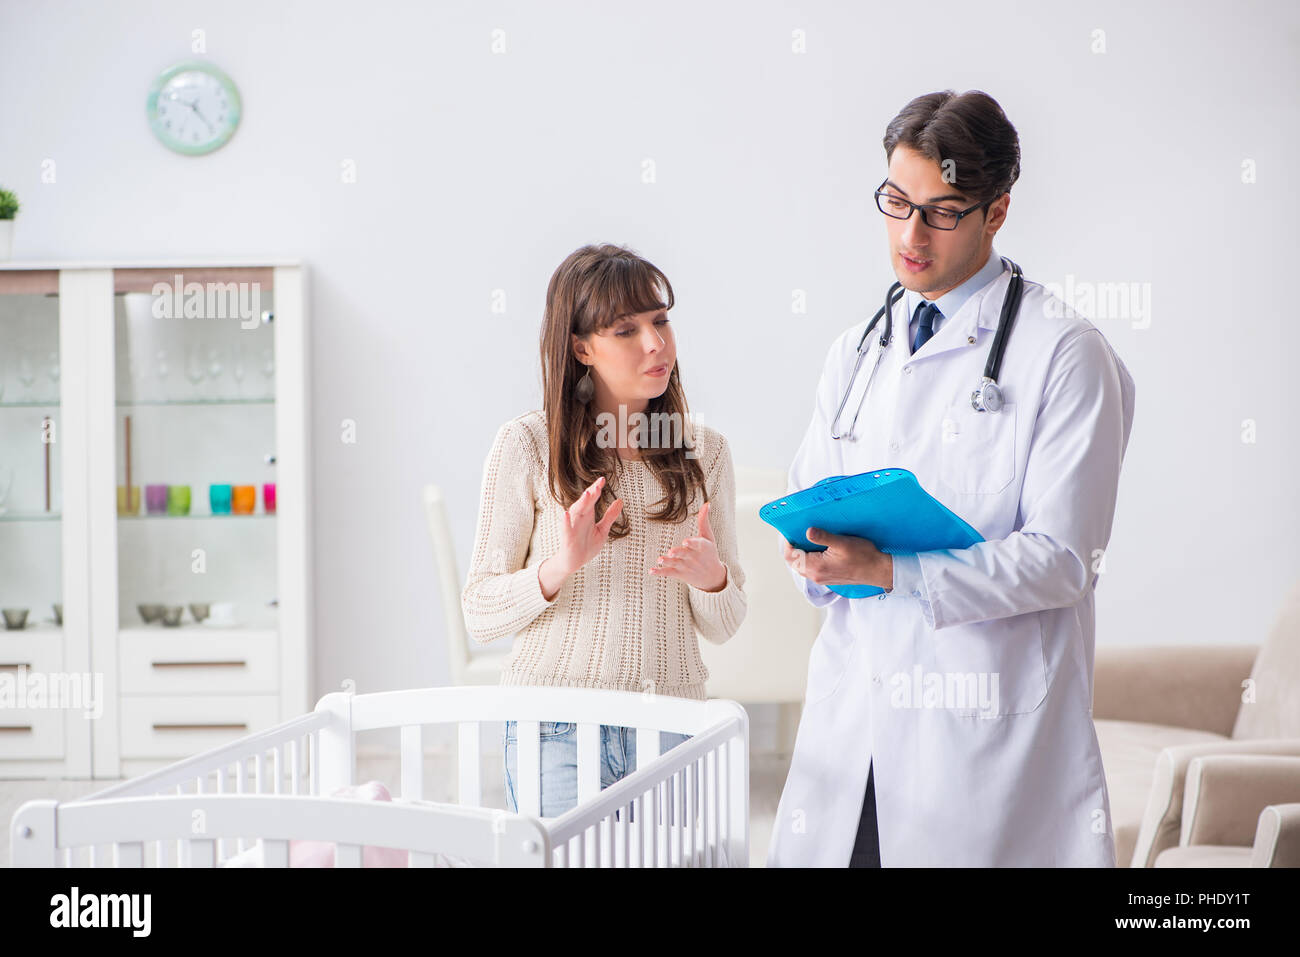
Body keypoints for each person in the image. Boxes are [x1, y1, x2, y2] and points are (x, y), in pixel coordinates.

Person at [768, 90, 1136, 867]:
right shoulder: (858, 349)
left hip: (980, 739)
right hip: (855, 724)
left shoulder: (1065, 353)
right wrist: (810, 554)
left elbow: (1065, 558)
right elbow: (810, 496)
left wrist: (895, 569)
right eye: (896, 202)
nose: (910, 234)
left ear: (996, 211)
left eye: (941, 211)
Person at [461, 243, 747, 818]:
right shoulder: (527, 444)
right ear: (581, 346)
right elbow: (479, 611)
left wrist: (712, 579)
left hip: (672, 724)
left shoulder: (705, 452)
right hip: (556, 726)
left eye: (660, 321)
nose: (654, 344)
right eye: (626, 330)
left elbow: (726, 623)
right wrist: (556, 569)